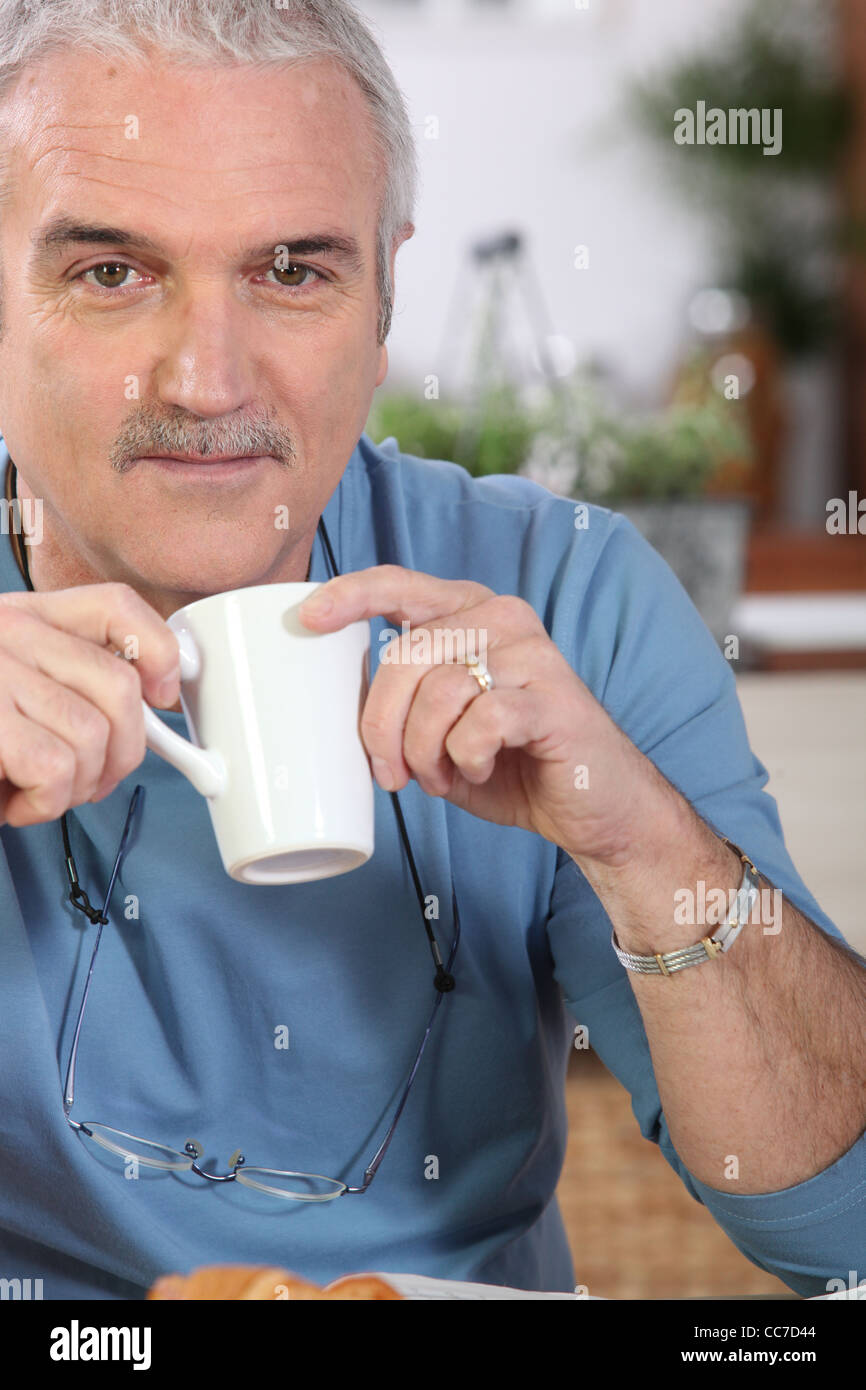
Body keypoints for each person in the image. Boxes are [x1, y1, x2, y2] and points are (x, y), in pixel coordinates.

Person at [0, 0, 862, 1302]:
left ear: (387, 295)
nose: (205, 381)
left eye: (293, 270)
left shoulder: (561, 590)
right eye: (112, 272)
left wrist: (640, 842)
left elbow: (839, 1233)